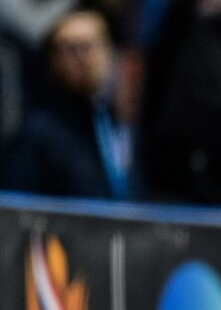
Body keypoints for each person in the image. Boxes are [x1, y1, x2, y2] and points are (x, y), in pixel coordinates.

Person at [0, 10, 133, 199]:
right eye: (70, 49)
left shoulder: (117, 121)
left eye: (90, 46)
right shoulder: (36, 134)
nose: (83, 58)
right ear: (52, 61)